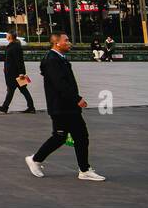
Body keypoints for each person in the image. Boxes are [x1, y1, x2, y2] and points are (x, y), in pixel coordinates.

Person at [26, 31, 104, 181]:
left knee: (77, 136)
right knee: (62, 136)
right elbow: (60, 84)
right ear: (57, 43)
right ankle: (36, 159)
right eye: (66, 40)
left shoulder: (58, 58)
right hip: (61, 107)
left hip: (66, 106)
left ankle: (84, 169)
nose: (69, 43)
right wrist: (77, 99)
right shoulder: (52, 60)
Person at [0, 31, 35, 114]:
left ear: (11, 36)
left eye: (7, 34)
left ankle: (5, 107)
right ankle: (31, 107)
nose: (6, 35)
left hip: (16, 73)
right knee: (22, 90)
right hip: (12, 72)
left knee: (12, 89)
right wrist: (5, 67)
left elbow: (19, 61)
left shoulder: (15, 46)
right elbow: (9, 59)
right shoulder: (11, 45)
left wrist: (22, 73)